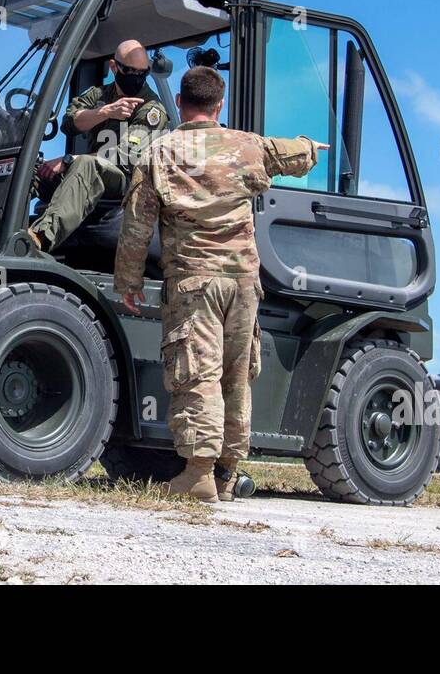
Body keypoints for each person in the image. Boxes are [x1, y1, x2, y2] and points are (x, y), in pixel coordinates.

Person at [113, 66, 326, 502]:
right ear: (220, 104)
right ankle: (228, 472)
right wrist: (310, 147)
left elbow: (137, 224)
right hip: (245, 284)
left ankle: (198, 473)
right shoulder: (246, 146)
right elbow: (292, 154)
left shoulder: (161, 151)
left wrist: (129, 282)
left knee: (198, 374)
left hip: (195, 283)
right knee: (236, 375)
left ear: (181, 101)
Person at [28, 39, 168, 253]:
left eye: (143, 73)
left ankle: (39, 239)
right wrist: (105, 112)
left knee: (86, 164)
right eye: (130, 71)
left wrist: (68, 161)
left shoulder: (151, 108)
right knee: (33, 170)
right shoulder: (100, 95)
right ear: (114, 67)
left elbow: (125, 157)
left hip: (129, 180)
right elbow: (69, 122)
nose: (137, 78)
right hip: (95, 172)